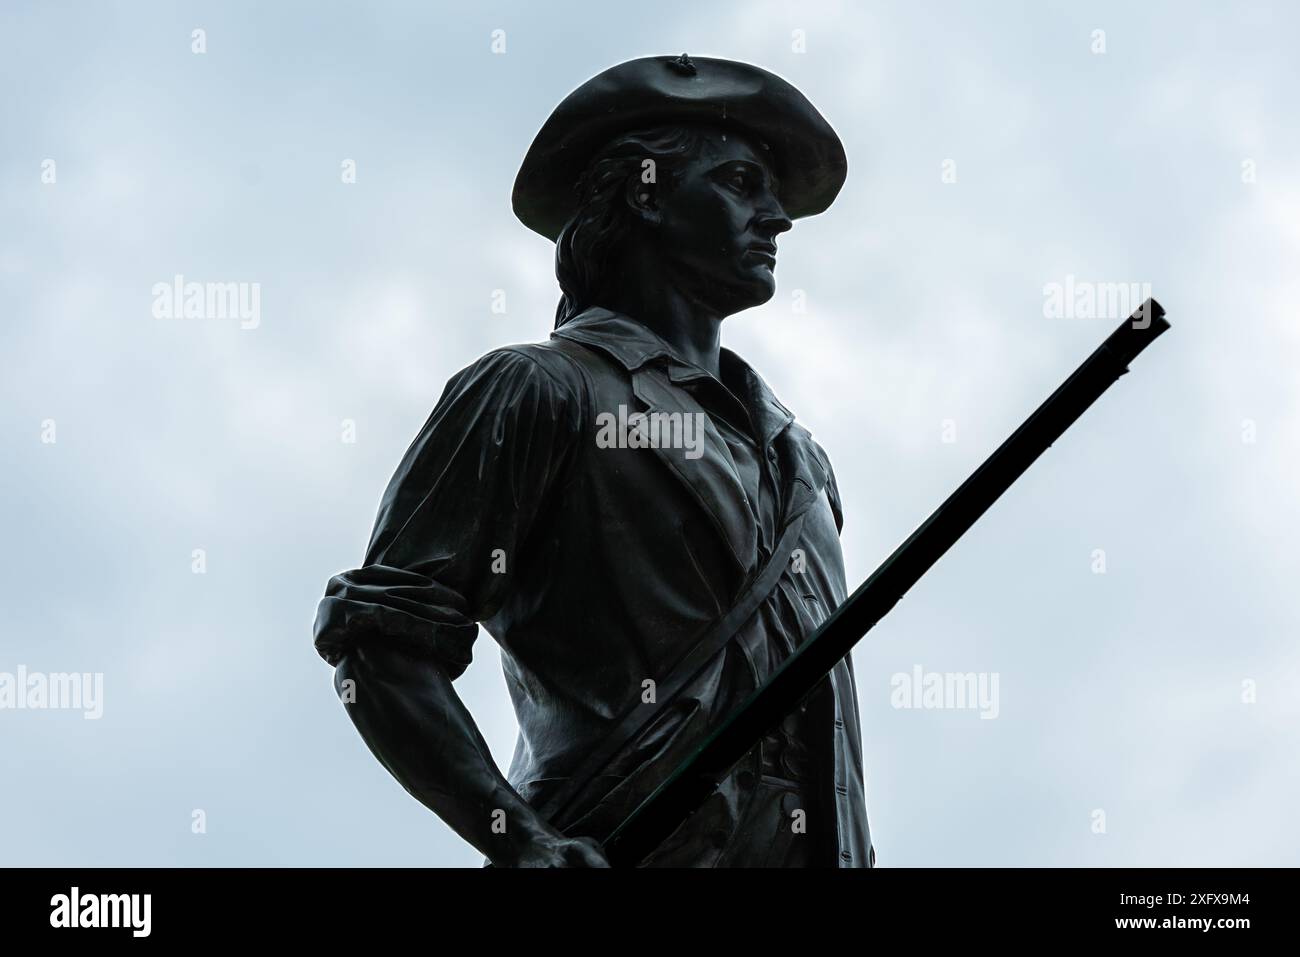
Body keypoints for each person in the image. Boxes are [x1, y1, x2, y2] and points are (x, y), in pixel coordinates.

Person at [313, 54, 873, 867]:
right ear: (646, 192)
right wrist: (522, 839)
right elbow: (381, 644)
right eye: (743, 183)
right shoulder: (536, 391)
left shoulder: (801, 463)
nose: (777, 217)